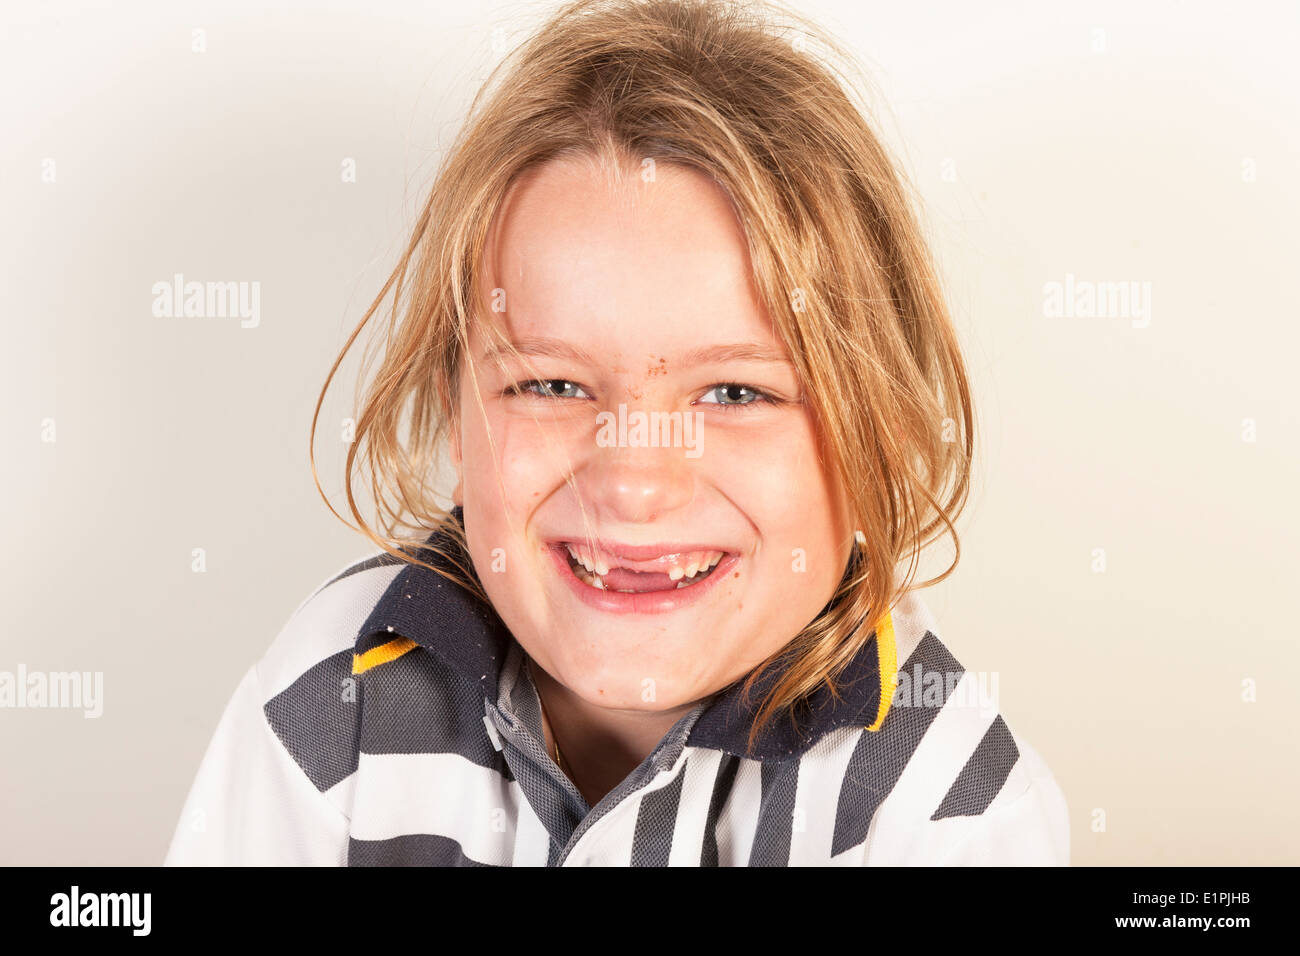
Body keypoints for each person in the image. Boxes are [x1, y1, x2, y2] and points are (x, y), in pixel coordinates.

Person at [164, 0, 1069, 866]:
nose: (635, 483)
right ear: (455, 415)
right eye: (551, 383)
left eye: (735, 393)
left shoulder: (948, 807)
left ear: (880, 429)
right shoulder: (335, 698)